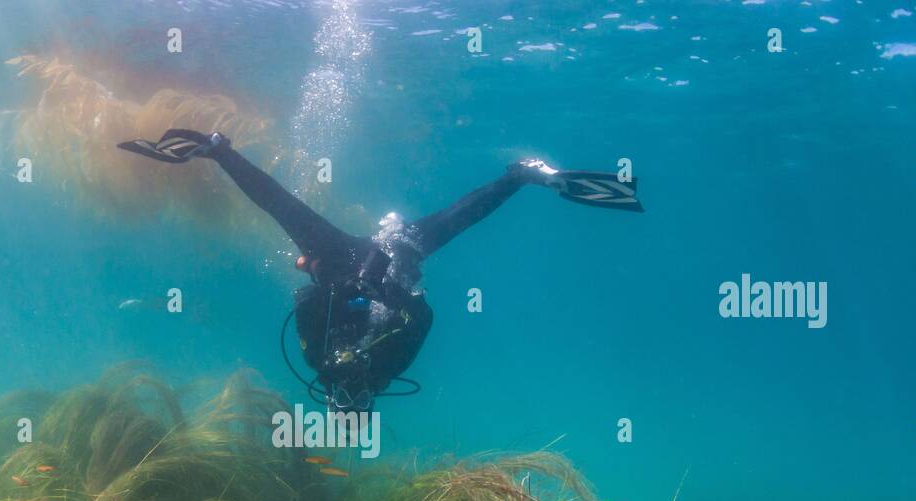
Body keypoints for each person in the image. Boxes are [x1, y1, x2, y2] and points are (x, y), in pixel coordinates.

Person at [118, 130, 643, 412]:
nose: (351, 393)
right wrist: (395, 294)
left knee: (286, 211)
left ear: (330, 397)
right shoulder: (389, 368)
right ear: (369, 402)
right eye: (358, 402)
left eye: (343, 400)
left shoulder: (318, 360)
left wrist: (334, 287)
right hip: (396, 260)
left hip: (338, 261)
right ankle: (523, 176)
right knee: (454, 222)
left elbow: (303, 307)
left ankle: (220, 152)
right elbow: (425, 318)